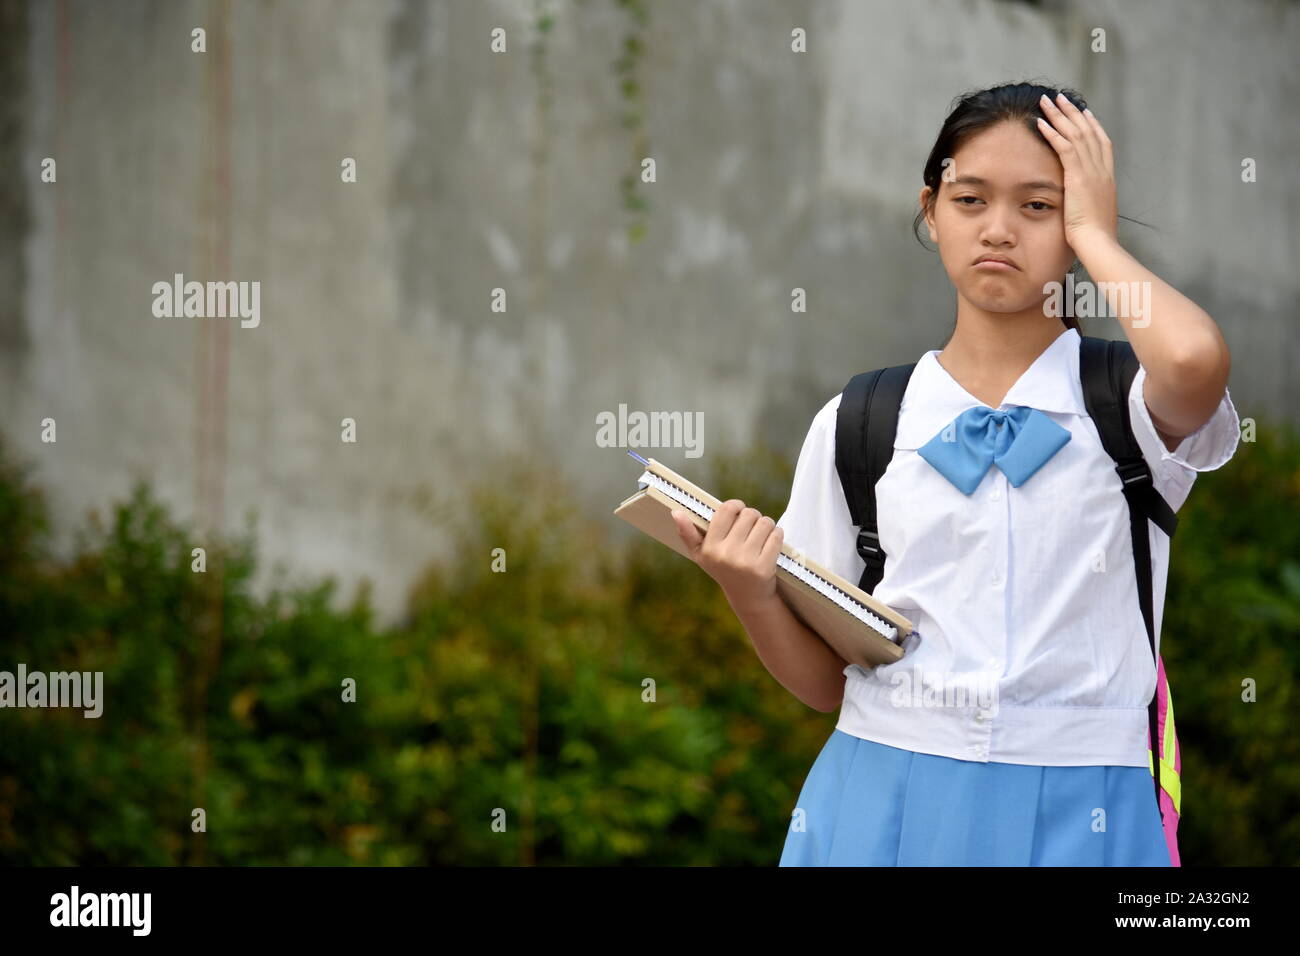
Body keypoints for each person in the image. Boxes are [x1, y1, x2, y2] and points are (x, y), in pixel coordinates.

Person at [669, 82, 1241, 866]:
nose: (999, 229)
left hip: (1088, 802)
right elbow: (829, 684)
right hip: (879, 800)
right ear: (931, 210)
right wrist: (748, 589)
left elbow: (1194, 360)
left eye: (1039, 207)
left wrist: (1098, 238)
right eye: (970, 198)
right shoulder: (861, 421)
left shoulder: (1127, 404)